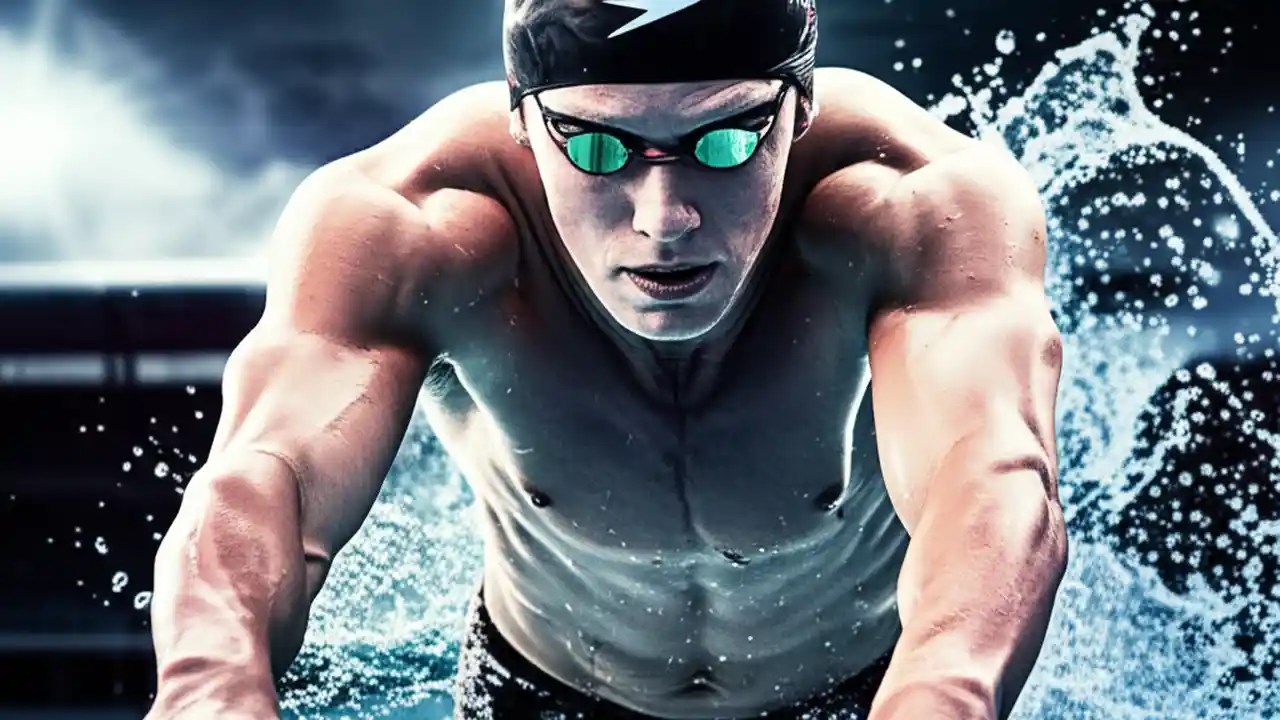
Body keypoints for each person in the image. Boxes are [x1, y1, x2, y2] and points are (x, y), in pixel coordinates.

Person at [146, 0, 1068, 718]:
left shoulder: (910, 205)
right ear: (521, 119)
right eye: (593, 146)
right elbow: (265, 476)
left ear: (804, 105)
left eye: (727, 138)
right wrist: (207, 681)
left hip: (863, 695)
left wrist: (943, 694)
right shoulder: (416, 222)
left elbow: (989, 478)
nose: (663, 217)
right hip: (539, 695)